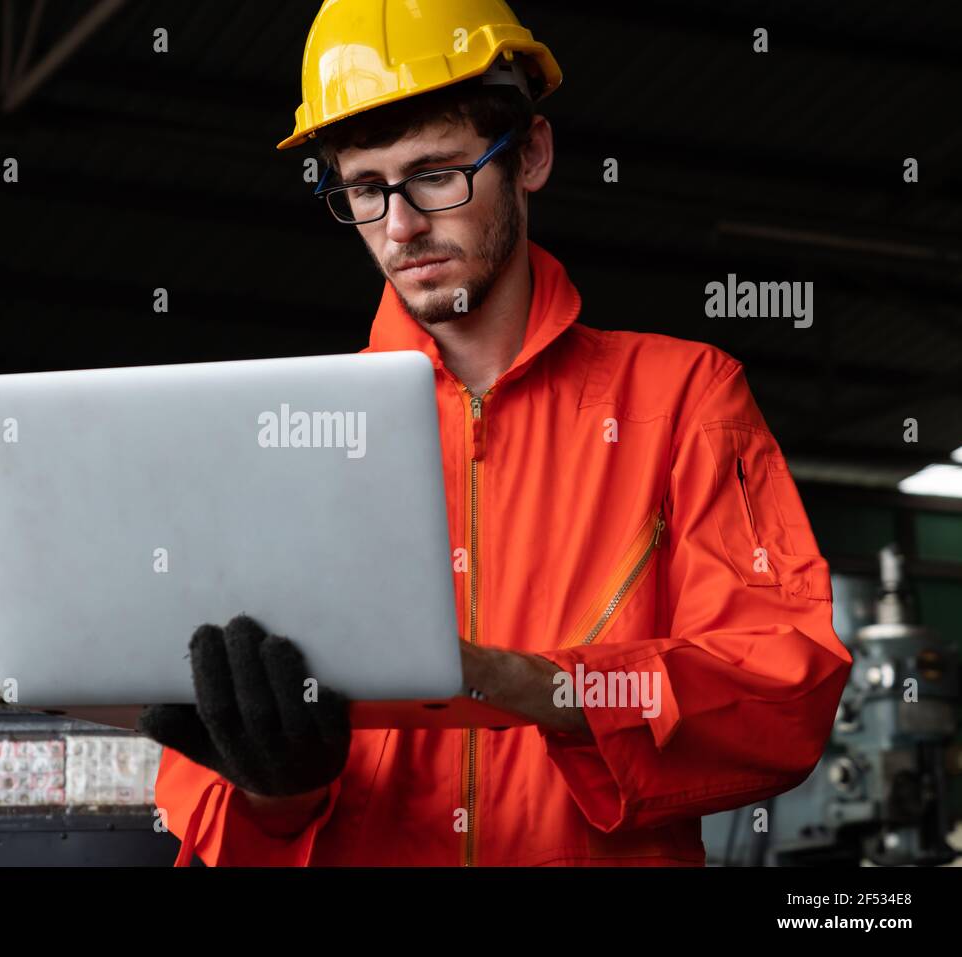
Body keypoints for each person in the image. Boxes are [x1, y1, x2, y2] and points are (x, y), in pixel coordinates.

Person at [137, 0, 852, 866]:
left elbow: (782, 685)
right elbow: (211, 816)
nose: (400, 226)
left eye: (435, 174)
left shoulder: (684, 400)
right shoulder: (285, 436)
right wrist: (272, 787)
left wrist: (529, 685)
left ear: (532, 155)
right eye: (366, 189)